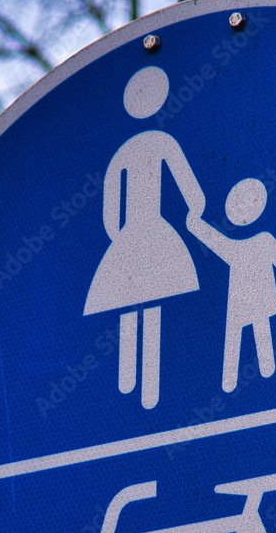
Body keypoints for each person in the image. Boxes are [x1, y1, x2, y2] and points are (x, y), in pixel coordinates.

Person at [84, 66, 206, 409]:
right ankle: (145, 390)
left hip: (130, 234)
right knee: (153, 301)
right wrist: (192, 214)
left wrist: (119, 238)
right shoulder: (161, 142)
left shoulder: (124, 153)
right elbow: (191, 191)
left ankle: (130, 384)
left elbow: (110, 208)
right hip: (155, 230)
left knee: (130, 301)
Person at [187, 178, 276, 393]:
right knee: (239, 333)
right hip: (242, 299)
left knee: (255, 331)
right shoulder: (250, 244)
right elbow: (215, 241)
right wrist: (194, 224)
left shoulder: (262, 240)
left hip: (254, 298)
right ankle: (231, 382)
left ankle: (257, 375)